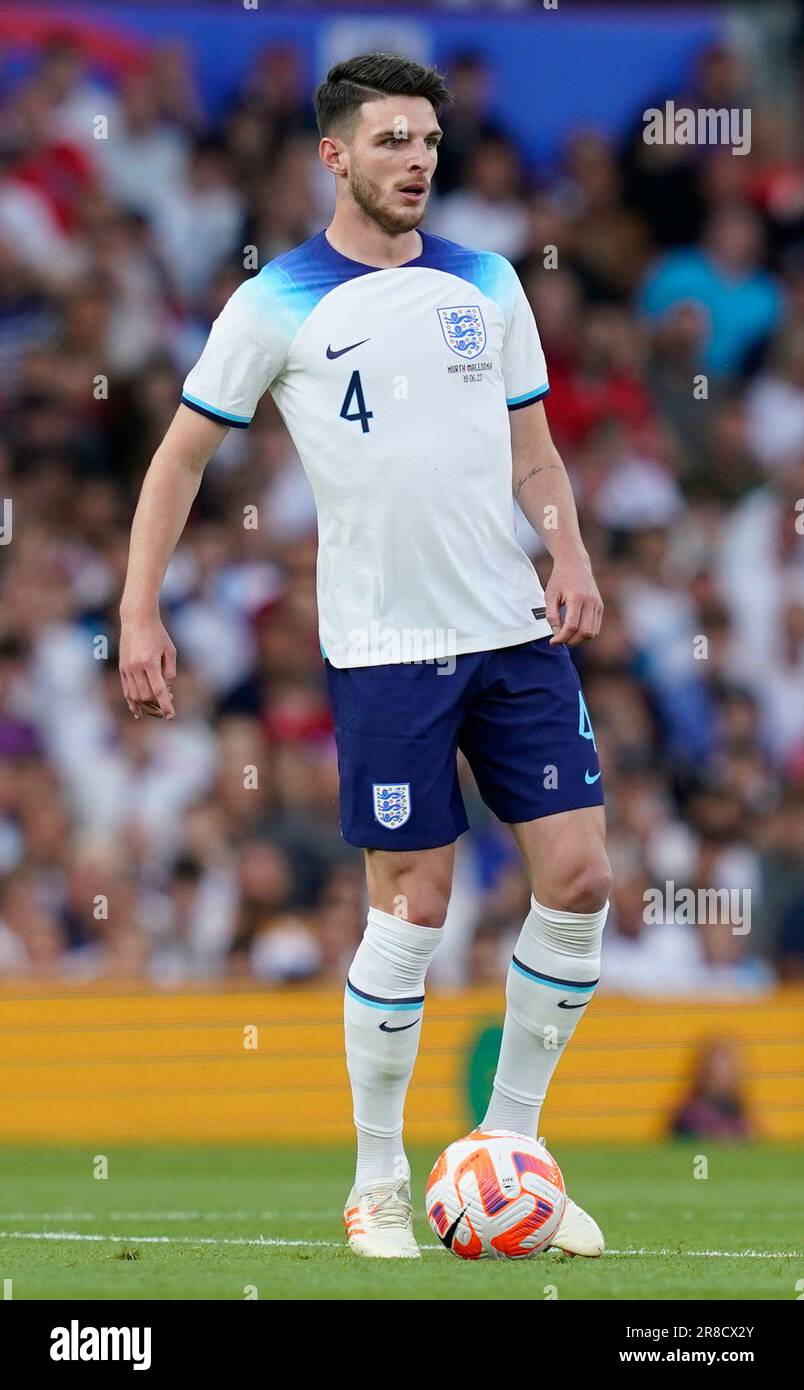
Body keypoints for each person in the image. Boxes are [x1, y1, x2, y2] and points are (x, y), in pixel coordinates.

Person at [119, 52, 611, 1261]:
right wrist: (139, 610)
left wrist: (572, 552)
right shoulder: (276, 300)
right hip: (388, 648)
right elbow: (181, 458)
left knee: (583, 877)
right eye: (392, 141)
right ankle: (379, 1179)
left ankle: (514, 1153)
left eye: (430, 142)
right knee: (417, 904)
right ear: (333, 156)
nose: (419, 161)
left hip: (513, 630)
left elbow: (535, 453)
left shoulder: (489, 281)